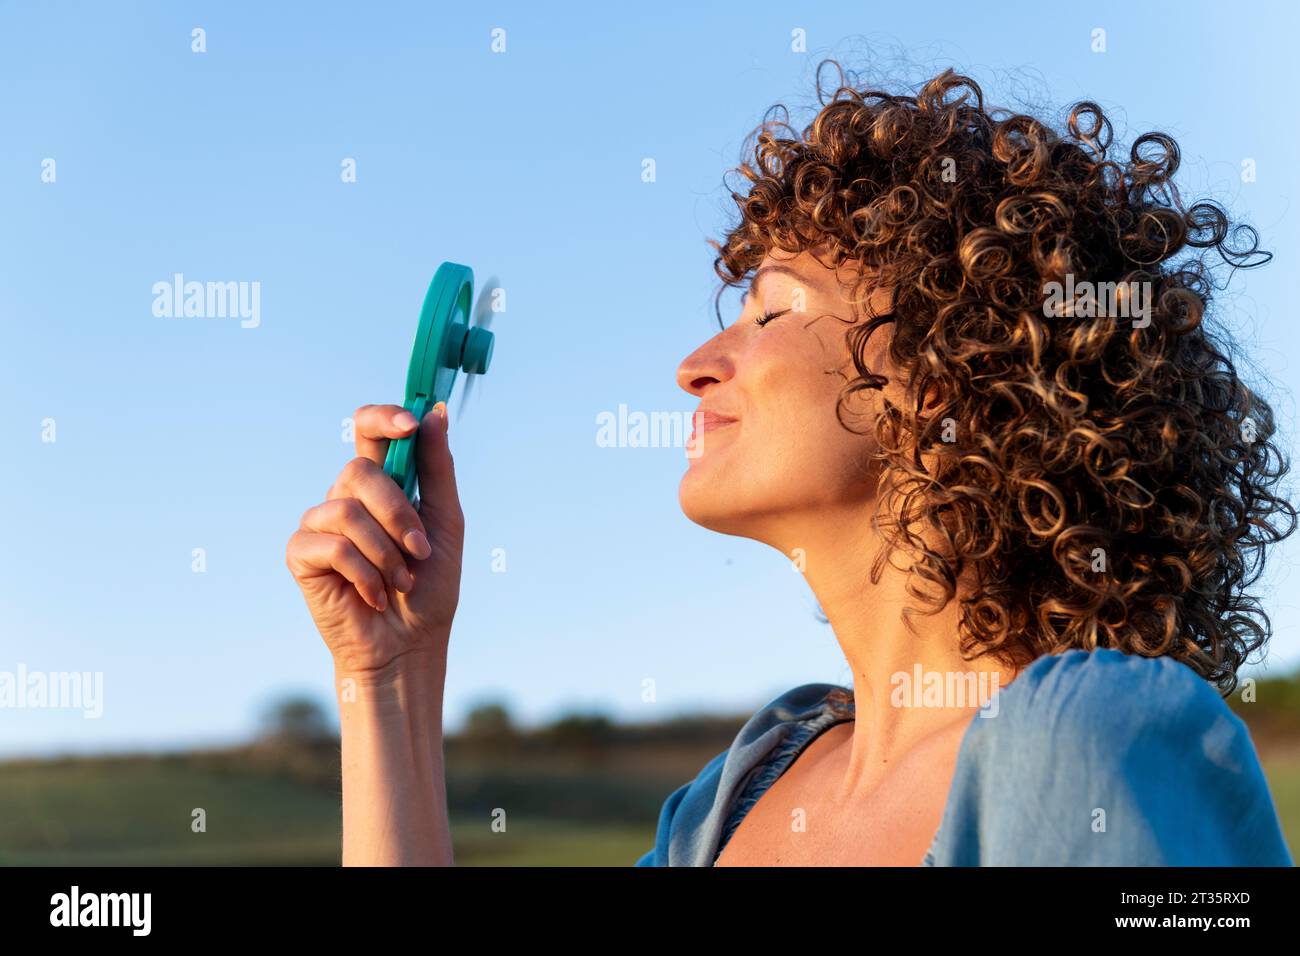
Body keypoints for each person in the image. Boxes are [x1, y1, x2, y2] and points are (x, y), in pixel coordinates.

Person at [285, 62, 1297, 866]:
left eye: (771, 310)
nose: (694, 365)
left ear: (951, 367)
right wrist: (390, 678)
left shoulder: (1088, 738)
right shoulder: (736, 794)